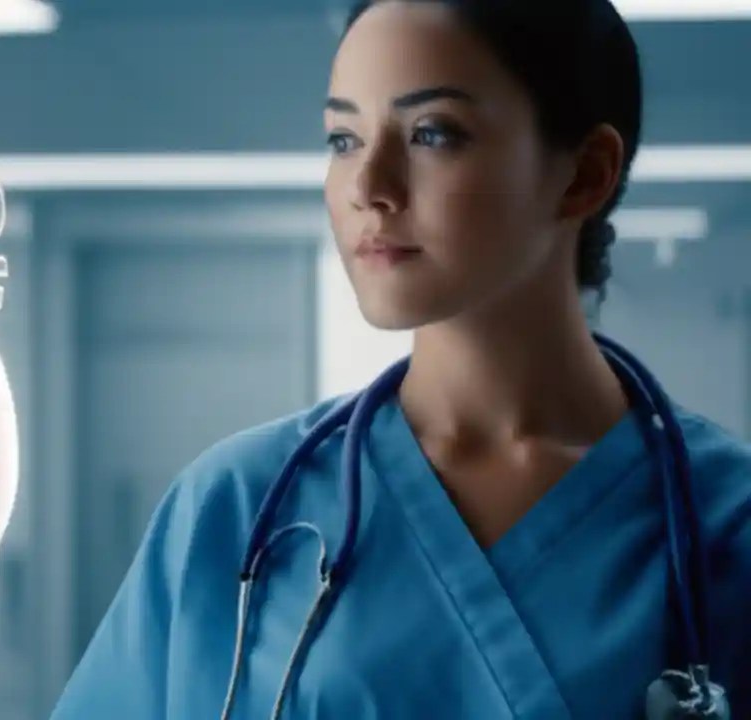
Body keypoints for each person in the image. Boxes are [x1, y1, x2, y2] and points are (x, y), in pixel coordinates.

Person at [48, 0, 751, 717]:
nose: (367, 187)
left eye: (431, 133)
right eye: (344, 139)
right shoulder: (238, 506)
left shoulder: (728, 521)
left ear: (583, 175)